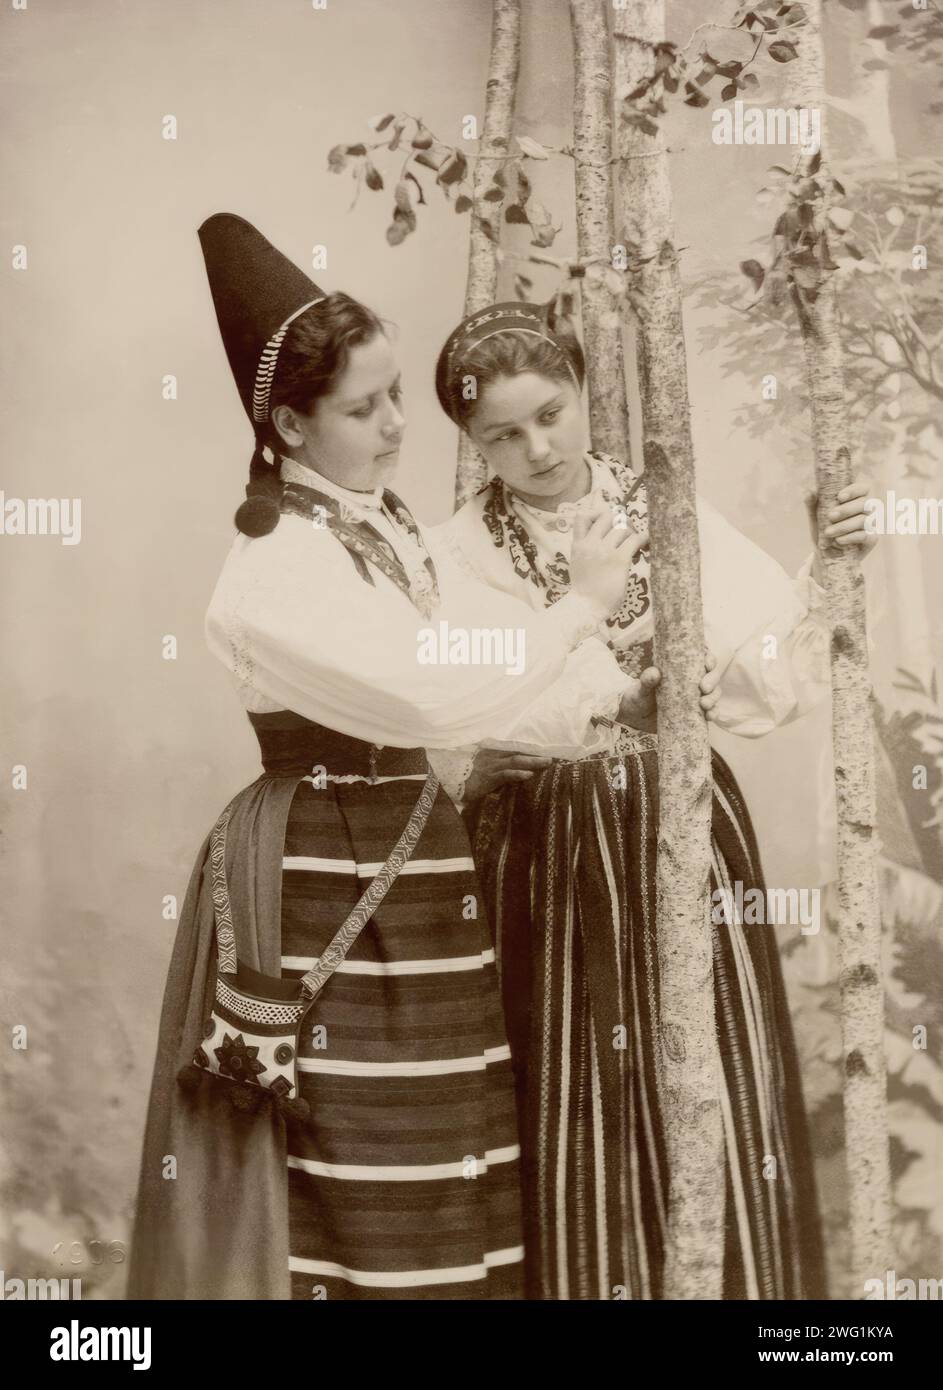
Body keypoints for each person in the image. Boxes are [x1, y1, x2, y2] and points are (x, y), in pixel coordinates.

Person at [127, 217, 671, 1301]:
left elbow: (492, 685)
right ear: (289, 422)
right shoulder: (276, 560)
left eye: (393, 397)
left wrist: (618, 696)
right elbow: (432, 689)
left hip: (415, 854)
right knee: (349, 1143)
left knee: (443, 1135)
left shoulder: (380, 525)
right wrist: (578, 609)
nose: (393, 426)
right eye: (361, 408)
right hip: (318, 870)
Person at [428, 300, 878, 1301]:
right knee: (568, 1078)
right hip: (540, 843)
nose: (536, 449)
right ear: (472, 442)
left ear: (582, 390)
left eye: (550, 414)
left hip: (680, 821)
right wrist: (607, 685)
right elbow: (467, 704)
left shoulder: (662, 509)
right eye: (501, 434)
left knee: (711, 1067)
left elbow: (763, 673)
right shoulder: (455, 552)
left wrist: (829, 566)